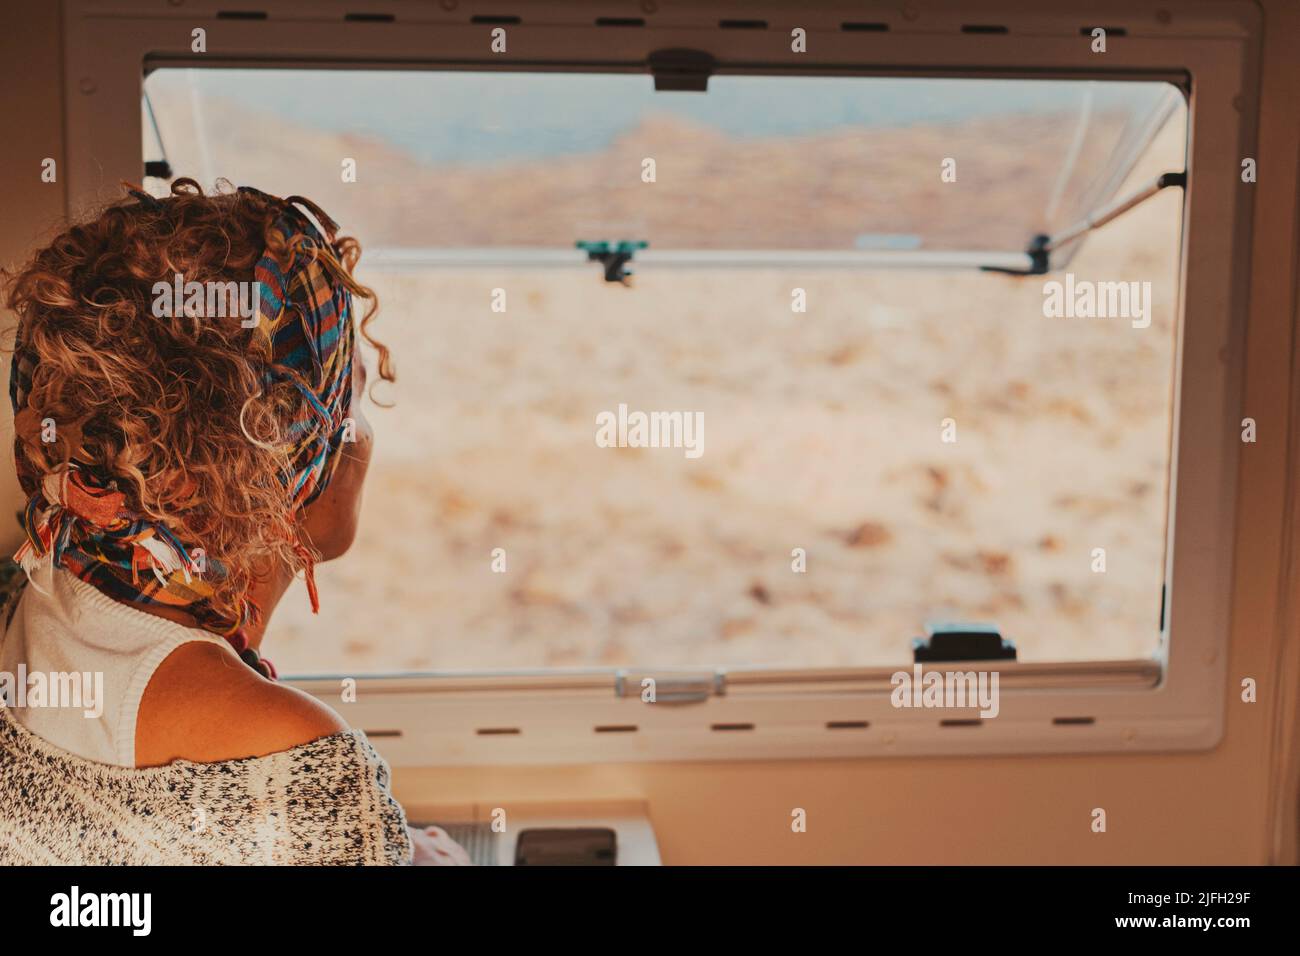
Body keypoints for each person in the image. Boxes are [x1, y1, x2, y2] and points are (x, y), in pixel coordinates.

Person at [0, 179, 469, 864]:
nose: (364, 431)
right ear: (288, 456)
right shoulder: (287, 765)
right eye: (351, 400)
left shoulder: (35, 593)